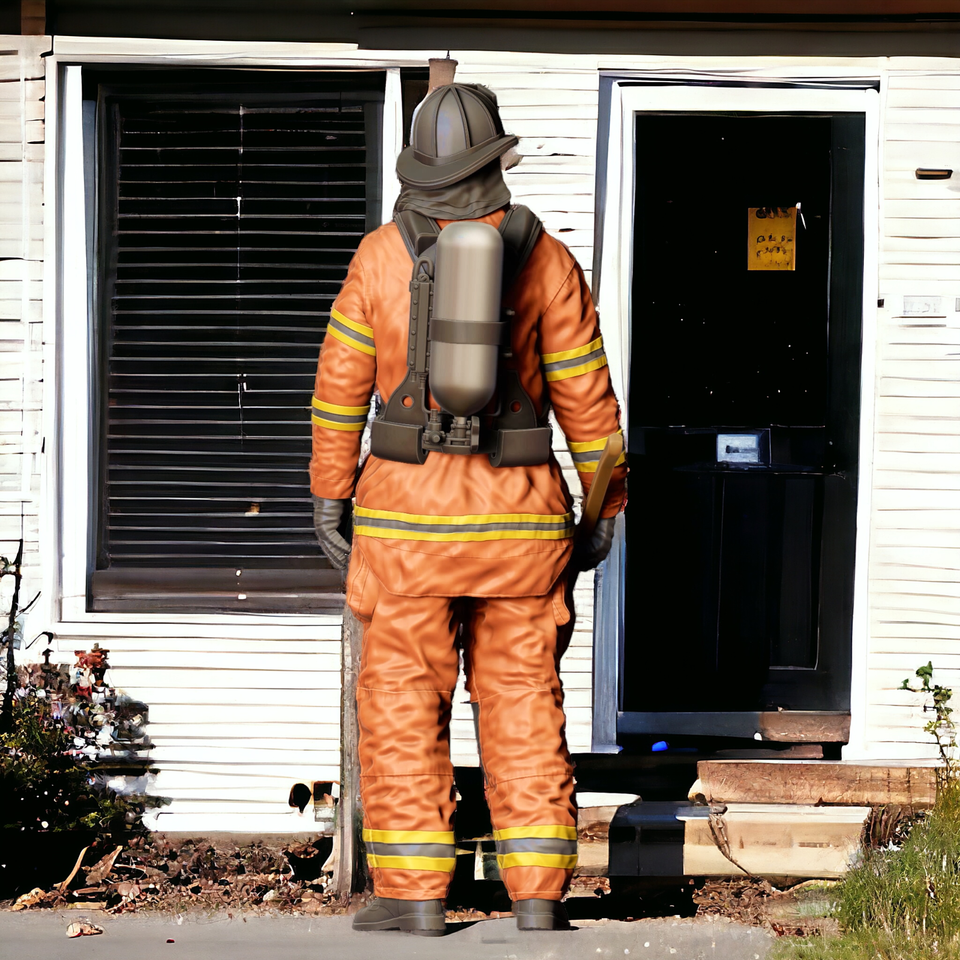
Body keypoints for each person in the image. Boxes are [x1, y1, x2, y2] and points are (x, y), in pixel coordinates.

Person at [309, 81, 626, 936]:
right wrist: (602, 507)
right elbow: (590, 403)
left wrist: (330, 497)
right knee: (523, 701)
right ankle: (536, 898)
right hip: (523, 529)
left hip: (404, 530)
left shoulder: (380, 257)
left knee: (404, 704)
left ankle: (413, 898)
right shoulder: (546, 258)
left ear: (420, 171)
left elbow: (339, 393)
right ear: (495, 163)